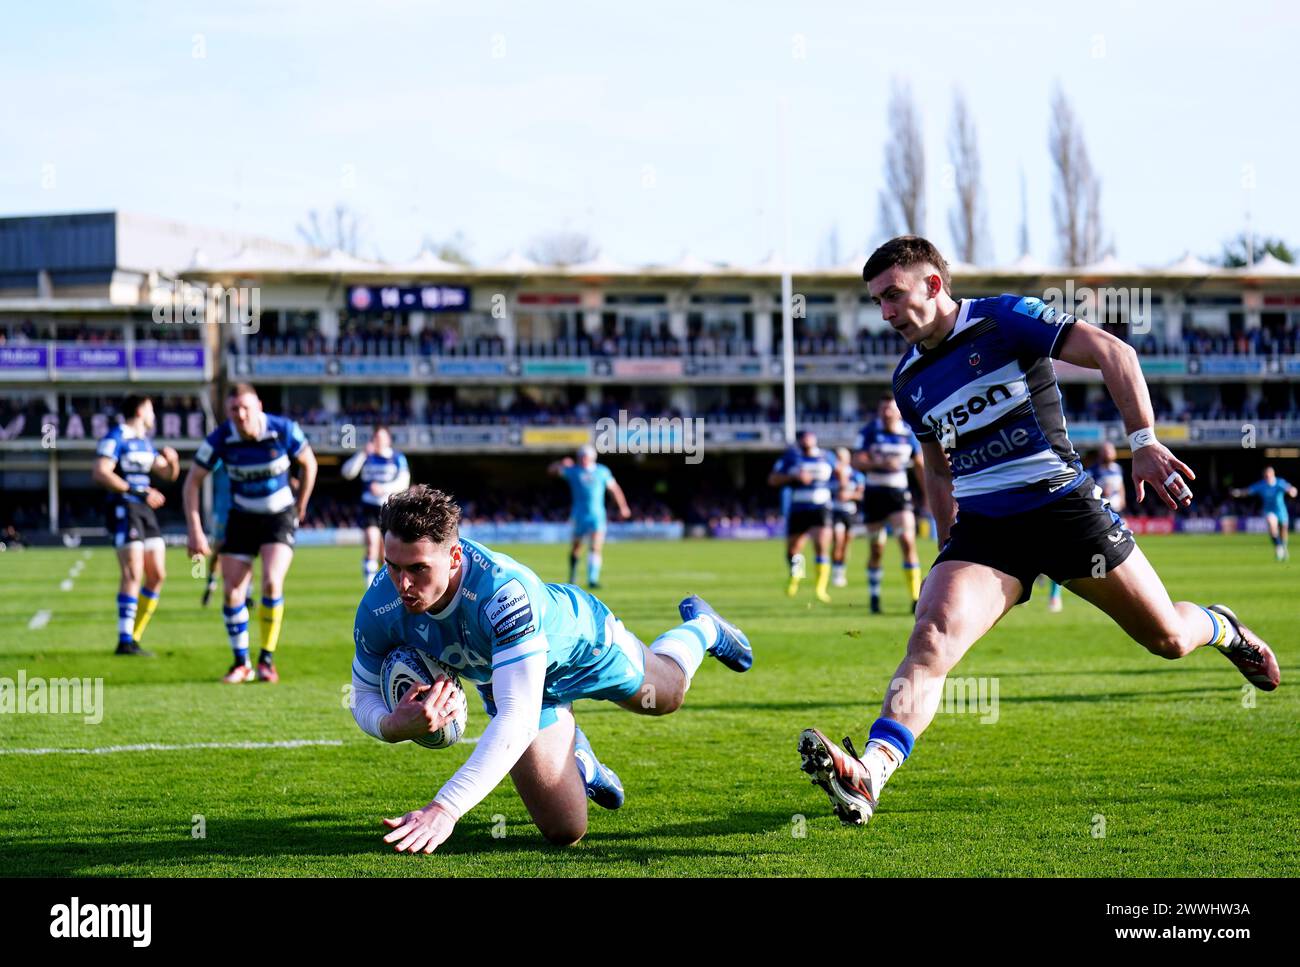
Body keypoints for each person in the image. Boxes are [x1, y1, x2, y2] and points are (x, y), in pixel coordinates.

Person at [799, 235, 1281, 827]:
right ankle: (871, 771)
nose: (887, 313)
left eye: (894, 295)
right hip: (986, 531)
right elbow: (936, 467)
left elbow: (1115, 352)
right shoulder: (909, 381)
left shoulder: (1004, 319)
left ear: (932, 284)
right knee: (931, 640)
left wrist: (1144, 442)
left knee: (1168, 640)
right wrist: (948, 545)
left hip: (1063, 510)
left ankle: (1221, 626)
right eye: (877, 303)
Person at [348, 485, 752, 854]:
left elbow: (516, 720)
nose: (402, 584)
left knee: (667, 697)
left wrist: (444, 808)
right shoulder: (378, 604)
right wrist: (393, 726)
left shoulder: (503, 592)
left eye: (417, 568)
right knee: (565, 831)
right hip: (517, 685)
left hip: (581, 644)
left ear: (454, 557)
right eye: (393, 566)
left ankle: (704, 628)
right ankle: (582, 762)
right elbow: (363, 693)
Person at [183, 383, 317, 684]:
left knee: (271, 581)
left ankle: (267, 659)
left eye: (245, 407)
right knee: (232, 591)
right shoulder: (219, 439)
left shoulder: (284, 430)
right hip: (241, 516)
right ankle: (241, 663)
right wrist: (195, 531)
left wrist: (301, 505)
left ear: (258, 405)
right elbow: (191, 482)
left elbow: (309, 463)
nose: (240, 415)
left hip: (279, 516)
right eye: (234, 410)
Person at [92, 395, 179, 656]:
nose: (154, 415)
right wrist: (137, 491)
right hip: (125, 507)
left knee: (157, 575)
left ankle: (134, 636)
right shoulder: (116, 436)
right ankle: (124, 639)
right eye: (151, 409)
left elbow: (167, 474)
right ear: (141, 411)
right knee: (133, 572)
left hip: (145, 510)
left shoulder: (144, 442)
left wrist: (173, 461)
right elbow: (100, 471)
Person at [855, 393, 925, 613]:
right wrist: (879, 462)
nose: (886, 413)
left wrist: (927, 495)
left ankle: (915, 597)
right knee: (876, 548)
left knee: (907, 541)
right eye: (882, 409)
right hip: (874, 494)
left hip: (898, 494)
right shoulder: (868, 432)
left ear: (898, 412)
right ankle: (874, 598)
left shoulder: (908, 433)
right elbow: (857, 460)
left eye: (890, 409)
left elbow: (920, 464)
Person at [1048, 441, 1127, 612]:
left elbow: (1120, 488)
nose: (1109, 453)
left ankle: (1108, 592)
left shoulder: (1117, 469)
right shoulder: (1093, 471)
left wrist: (1122, 499)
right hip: (1095, 517)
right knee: (1067, 555)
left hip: (1114, 515)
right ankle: (1055, 594)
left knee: (1111, 557)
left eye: (1111, 450)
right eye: (1106, 450)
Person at [548, 444, 630, 589]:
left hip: (597, 515)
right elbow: (551, 471)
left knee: (596, 547)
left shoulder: (602, 471)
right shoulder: (573, 471)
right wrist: (561, 462)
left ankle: (592, 579)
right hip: (579, 515)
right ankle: (572, 576)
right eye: (581, 456)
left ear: (592, 457)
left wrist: (623, 507)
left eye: (585, 456)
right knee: (576, 548)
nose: (583, 459)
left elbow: (615, 489)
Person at [768, 429, 837, 603]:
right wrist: (793, 476)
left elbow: (841, 473)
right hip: (799, 507)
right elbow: (773, 479)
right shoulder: (791, 457)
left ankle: (820, 589)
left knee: (821, 545)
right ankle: (796, 577)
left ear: (814, 439)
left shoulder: (827, 456)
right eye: (803, 438)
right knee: (793, 550)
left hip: (821, 506)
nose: (806, 441)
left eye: (809, 437)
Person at [341, 426, 411, 586]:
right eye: (375, 438)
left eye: (381, 438)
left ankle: (386, 588)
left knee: (385, 554)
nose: (378, 442)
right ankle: (369, 589)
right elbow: (347, 473)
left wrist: (383, 489)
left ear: (388, 440)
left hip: (389, 508)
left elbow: (403, 483)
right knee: (371, 544)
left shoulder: (397, 458)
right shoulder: (367, 456)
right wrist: (362, 454)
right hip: (369, 507)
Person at [1231, 466, 1296, 561]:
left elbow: (1290, 489)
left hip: (1281, 510)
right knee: (1271, 524)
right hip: (1269, 510)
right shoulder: (1262, 485)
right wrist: (1238, 493)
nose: (1268, 477)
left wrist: (1292, 491)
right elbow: (1249, 491)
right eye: (1266, 475)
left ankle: (1284, 547)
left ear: (1273, 474)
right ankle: (1278, 548)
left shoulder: (1279, 483)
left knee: (1283, 530)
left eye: (1269, 475)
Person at [830, 447, 866, 588]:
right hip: (834, 511)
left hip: (850, 512)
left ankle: (841, 571)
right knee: (838, 540)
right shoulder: (830, 475)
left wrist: (850, 496)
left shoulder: (857, 476)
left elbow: (861, 494)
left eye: (842, 457)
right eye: (837, 457)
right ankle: (835, 572)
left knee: (846, 543)